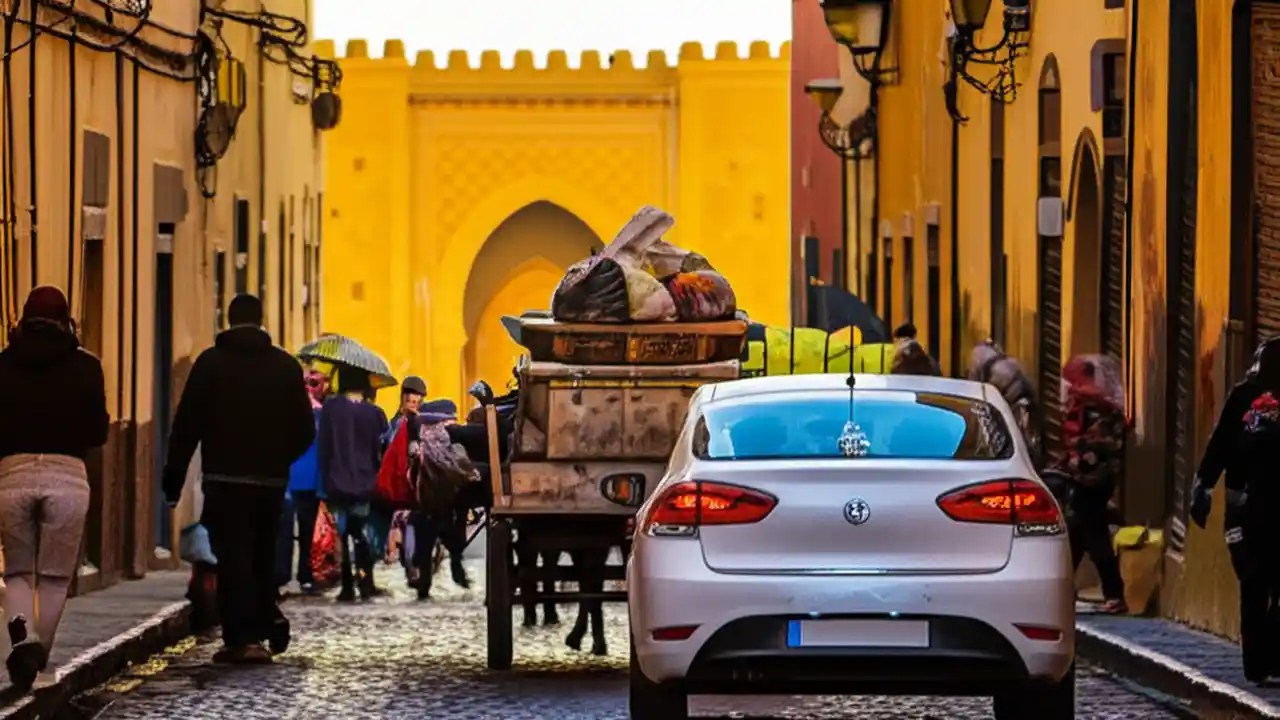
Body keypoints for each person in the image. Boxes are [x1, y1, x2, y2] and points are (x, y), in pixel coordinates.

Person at [162, 294, 315, 664]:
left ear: (228, 320)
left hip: (224, 479)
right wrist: (278, 460)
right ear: (261, 320)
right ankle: (263, 621)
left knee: (233, 557)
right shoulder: (285, 367)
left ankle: (240, 637)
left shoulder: (210, 364)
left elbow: (186, 425)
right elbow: (305, 429)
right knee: (262, 553)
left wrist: (173, 479)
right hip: (269, 483)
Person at [0, 287, 108, 690]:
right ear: (67, 321)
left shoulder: (3, 365)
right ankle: (38, 658)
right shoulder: (87, 367)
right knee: (55, 579)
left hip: (11, 474)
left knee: (17, 573)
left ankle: (21, 641)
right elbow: (98, 430)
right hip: (68, 476)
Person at [1191, 337, 1280, 683]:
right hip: (1244, 512)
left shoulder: (1246, 396)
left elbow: (1218, 445)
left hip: (1256, 512)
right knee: (1254, 582)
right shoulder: (1243, 397)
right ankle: (1258, 661)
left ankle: (1267, 657)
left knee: (1262, 584)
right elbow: (1221, 443)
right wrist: (1203, 487)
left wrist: (1203, 488)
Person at [1055, 355, 1127, 615]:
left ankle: (1114, 593)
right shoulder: (1091, 404)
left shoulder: (1094, 406)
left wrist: (1077, 459)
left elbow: (1096, 443)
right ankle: (1061, 591)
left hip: (1092, 480)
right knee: (1074, 534)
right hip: (1088, 478)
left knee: (1094, 537)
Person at [319, 369, 388, 602]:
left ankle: (347, 584)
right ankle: (365, 579)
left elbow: (324, 446)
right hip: (366, 482)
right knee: (360, 533)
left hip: (337, 480)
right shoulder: (375, 413)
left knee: (342, 533)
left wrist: (323, 483)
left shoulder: (331, 408)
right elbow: (381, 451)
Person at [276, 368, 329, 595]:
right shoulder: (309, 413)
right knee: (291, 531)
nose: (309, 387)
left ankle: (301, 574)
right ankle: (292, 575)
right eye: (306, 382)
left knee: (302, 532)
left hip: (306, 480)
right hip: (293, 478)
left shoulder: (321, 415)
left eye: (314, 382)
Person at [969, 340, 1043, 470]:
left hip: (1012, 401)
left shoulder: (982, 365)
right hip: (1025, 399)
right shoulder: (1010, 362)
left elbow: (978, 398)